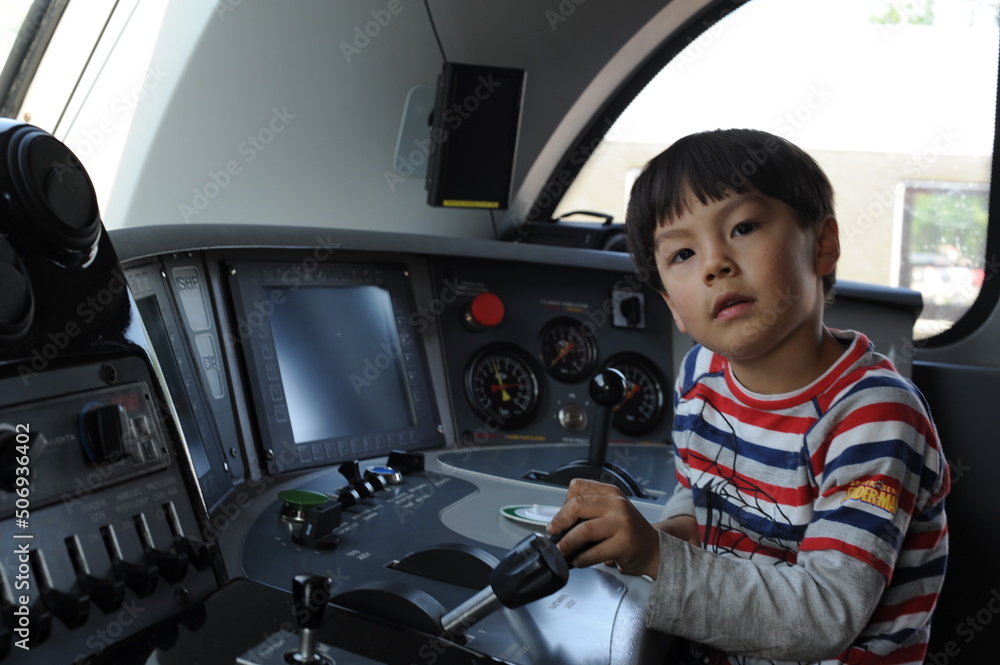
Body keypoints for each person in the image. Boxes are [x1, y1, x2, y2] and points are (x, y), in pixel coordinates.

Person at [546, 128, 950, 665]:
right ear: (671, 304)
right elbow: (701, 493)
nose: (715, 263)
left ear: (822, 245)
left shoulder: (872, 418)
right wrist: (664, 534)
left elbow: (823, 616)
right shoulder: (701, 376)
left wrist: (658, 556)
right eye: (683, 252)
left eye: (742, 227)